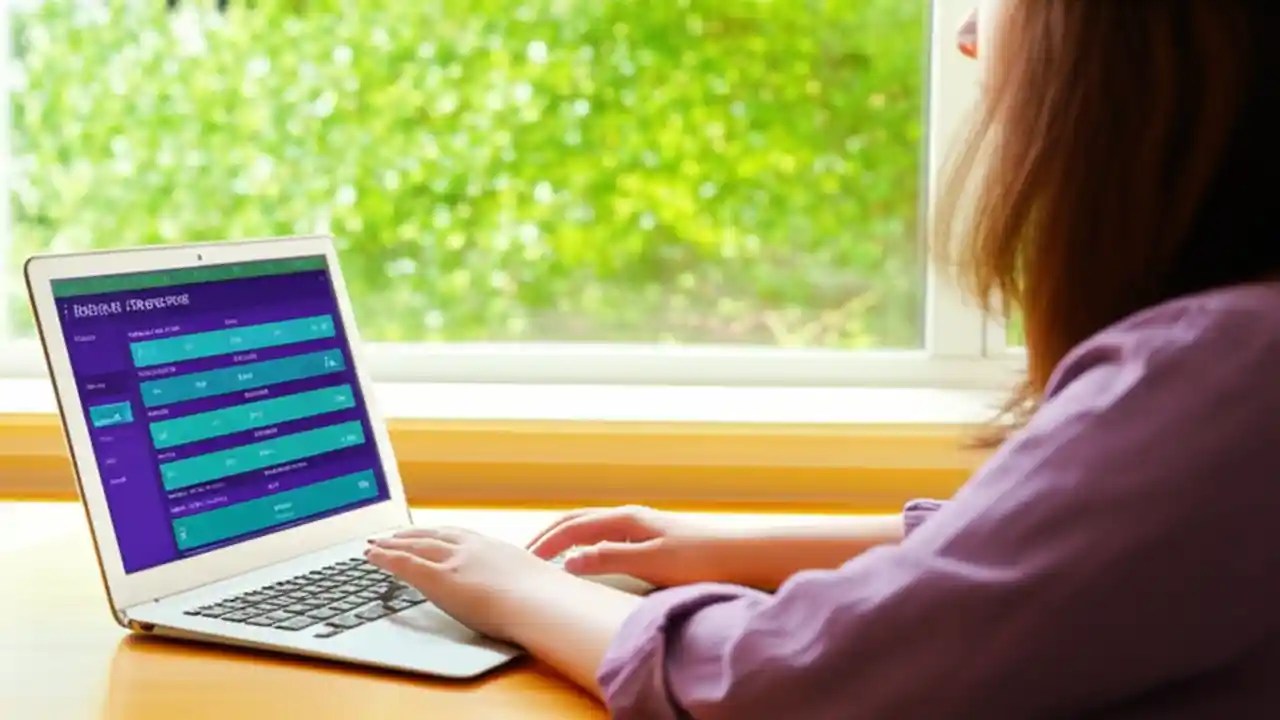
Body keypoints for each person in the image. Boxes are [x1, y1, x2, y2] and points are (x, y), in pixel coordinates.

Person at [365, 0, 1280, 716]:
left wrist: (518, 593)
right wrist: (739, 546)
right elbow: (1078, 559)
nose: (966, 34)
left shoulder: (1230, 367)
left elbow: (788, 685)